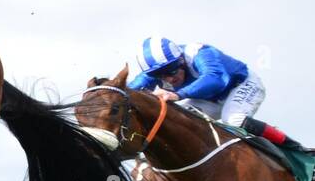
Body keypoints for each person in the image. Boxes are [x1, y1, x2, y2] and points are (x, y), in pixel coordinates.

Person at [130, 37, 305, 148]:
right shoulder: (154, 72)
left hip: (241, 85)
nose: (168, 79)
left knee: (233, 120)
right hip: (207, 100)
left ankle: (295, 147)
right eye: (158, 75)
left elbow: (216, 79)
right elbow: (126, 92)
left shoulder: (200, 53)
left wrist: (178, 95)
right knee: (178, 119)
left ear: (181, 60)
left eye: (172, 71)